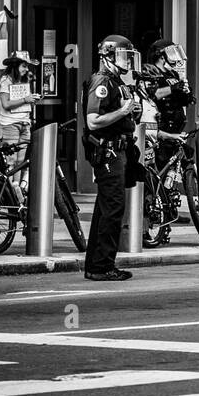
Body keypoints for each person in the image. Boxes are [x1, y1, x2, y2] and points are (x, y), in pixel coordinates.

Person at [82, 34, 142, 281]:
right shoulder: (102, 81)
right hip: (108, 152)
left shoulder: (118, 81)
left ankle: (96, 264)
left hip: (119, 150)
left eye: (128, 56)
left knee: (105, 209)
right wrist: (123, 111)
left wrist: (132, 113)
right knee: (113, 208)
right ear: (107, 56)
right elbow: (93, 121)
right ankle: (102, 266)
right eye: (122, 56)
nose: (127, 61)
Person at [137, 39, 194, 247]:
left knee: (168, 176)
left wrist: (186, 94)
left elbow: (180, 96)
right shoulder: (149, 72)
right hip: (158, 132)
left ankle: (165, 221)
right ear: (161, 55)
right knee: (152, 182)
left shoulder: (172, 74)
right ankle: (146, 227)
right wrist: (174, 89)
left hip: (175, 129)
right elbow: (152, 94)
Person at [0, 50, 42, 188]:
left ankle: (16, 191)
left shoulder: (23, 81)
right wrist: (25, 99)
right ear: (15, 66)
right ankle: (8, 192)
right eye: (24, 66)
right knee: (11, 160)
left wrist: (31, 101)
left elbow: (22, 102)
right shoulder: (5, 81)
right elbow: (6, 104)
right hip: (10, 124)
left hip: (24, 123)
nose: (26, 69)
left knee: (20, 161)